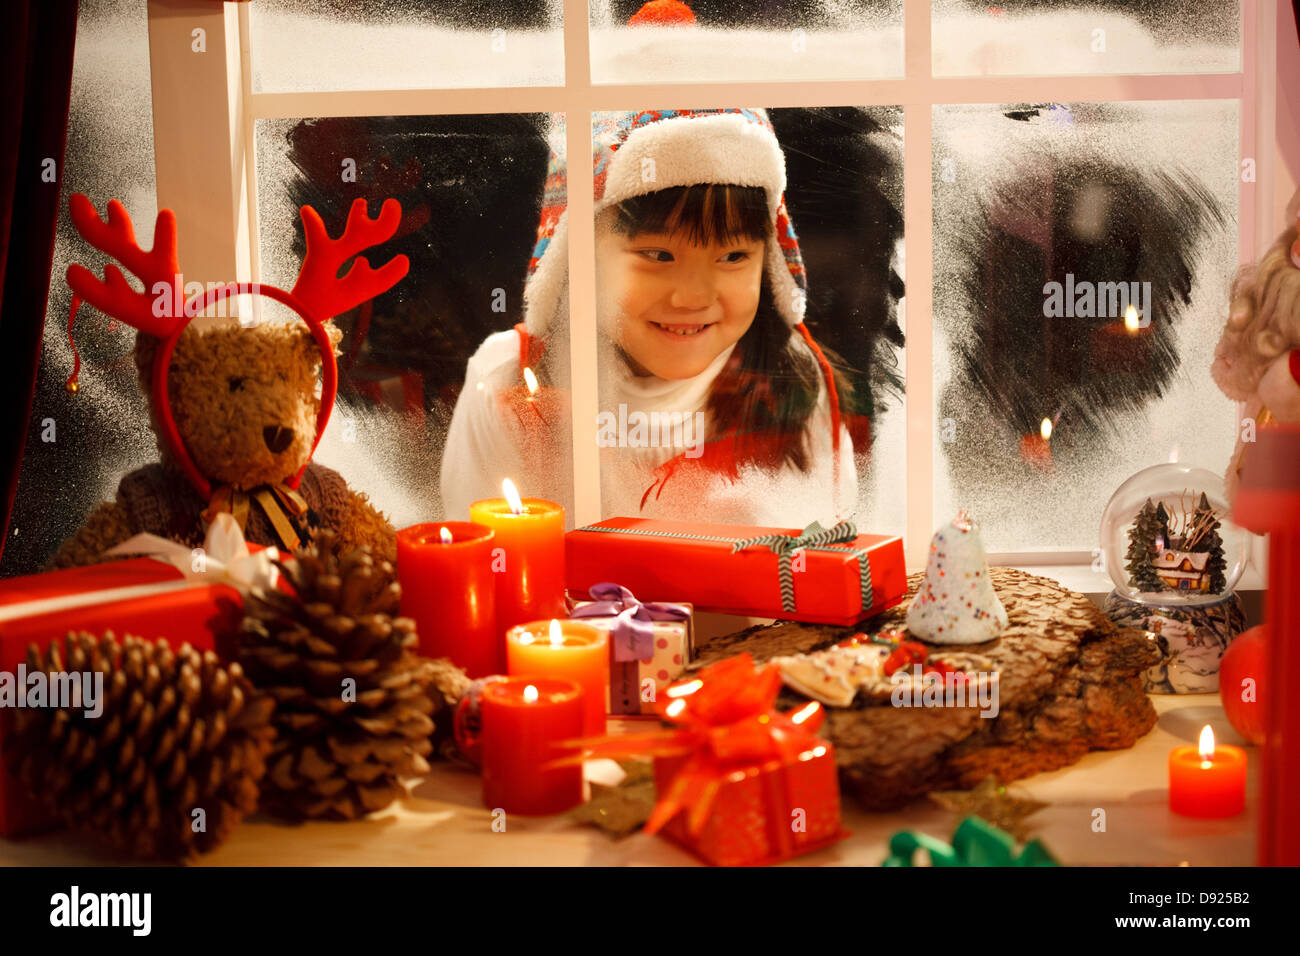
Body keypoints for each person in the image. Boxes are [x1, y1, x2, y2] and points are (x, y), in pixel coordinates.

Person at [440, 108, 859, 528]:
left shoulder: (796, 383)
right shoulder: (510, 381)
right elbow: (483, 560)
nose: (693, 296)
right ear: (575, 254)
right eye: (658, 255)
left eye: (733, 256)